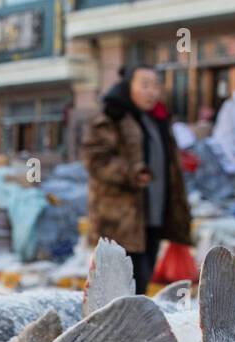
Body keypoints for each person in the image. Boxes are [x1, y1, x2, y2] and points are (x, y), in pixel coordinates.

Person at [82, 65, 192, 294]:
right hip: (121, 220)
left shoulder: (158, 121)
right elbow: (96, 160)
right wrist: (129, 173)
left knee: (141, 284)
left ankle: (135, 328)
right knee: (121, 290)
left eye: (156, 85)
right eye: (144, 85)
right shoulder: (112, 117)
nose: (152, 92)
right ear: (128, 86)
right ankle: (117, 330)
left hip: (152, 215)